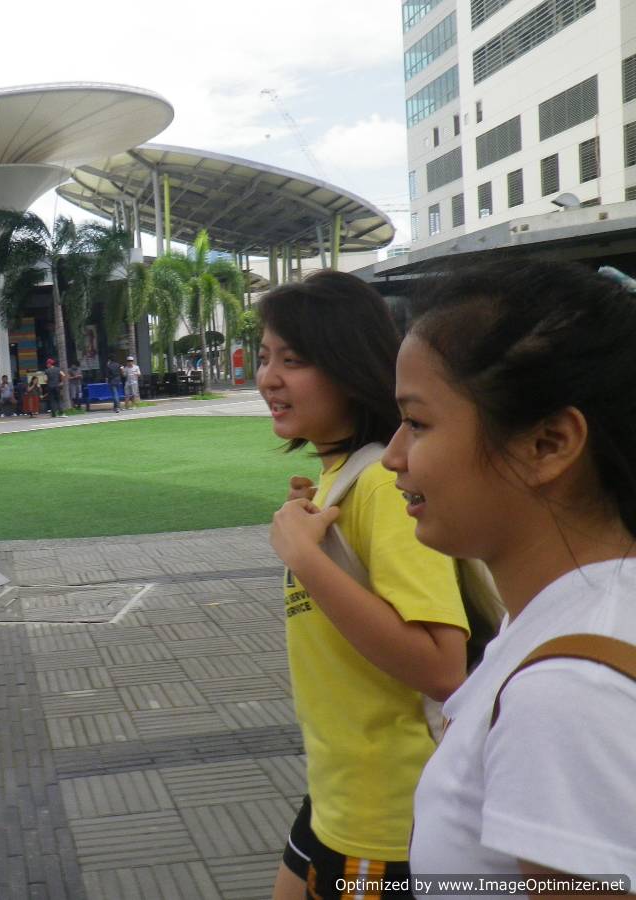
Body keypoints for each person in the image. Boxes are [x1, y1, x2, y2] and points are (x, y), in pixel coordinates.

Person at [385, 261, 636, 892]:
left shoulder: (567, 694)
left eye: (417, 423)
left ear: (548, 444)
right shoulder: (564, 616)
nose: (393, 455)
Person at [257, 271, 469, 900]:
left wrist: (308, 560)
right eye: (266, 356)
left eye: (293, 360)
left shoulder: (382, 484)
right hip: (335, 792)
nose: (269, 377)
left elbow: (442, 666)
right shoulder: (341, 481)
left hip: (385, 819)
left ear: (349, 367)